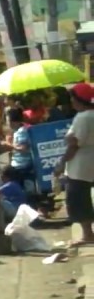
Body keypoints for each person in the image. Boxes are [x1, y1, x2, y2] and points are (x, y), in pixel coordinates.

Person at [58, 83, 94, 244]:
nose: (71, 101)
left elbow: (74, 143)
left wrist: (61, 162)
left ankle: (87, 234)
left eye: (73, 97)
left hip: (80, 164)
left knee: (78, 198)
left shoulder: (83, 117)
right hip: (89, 160)